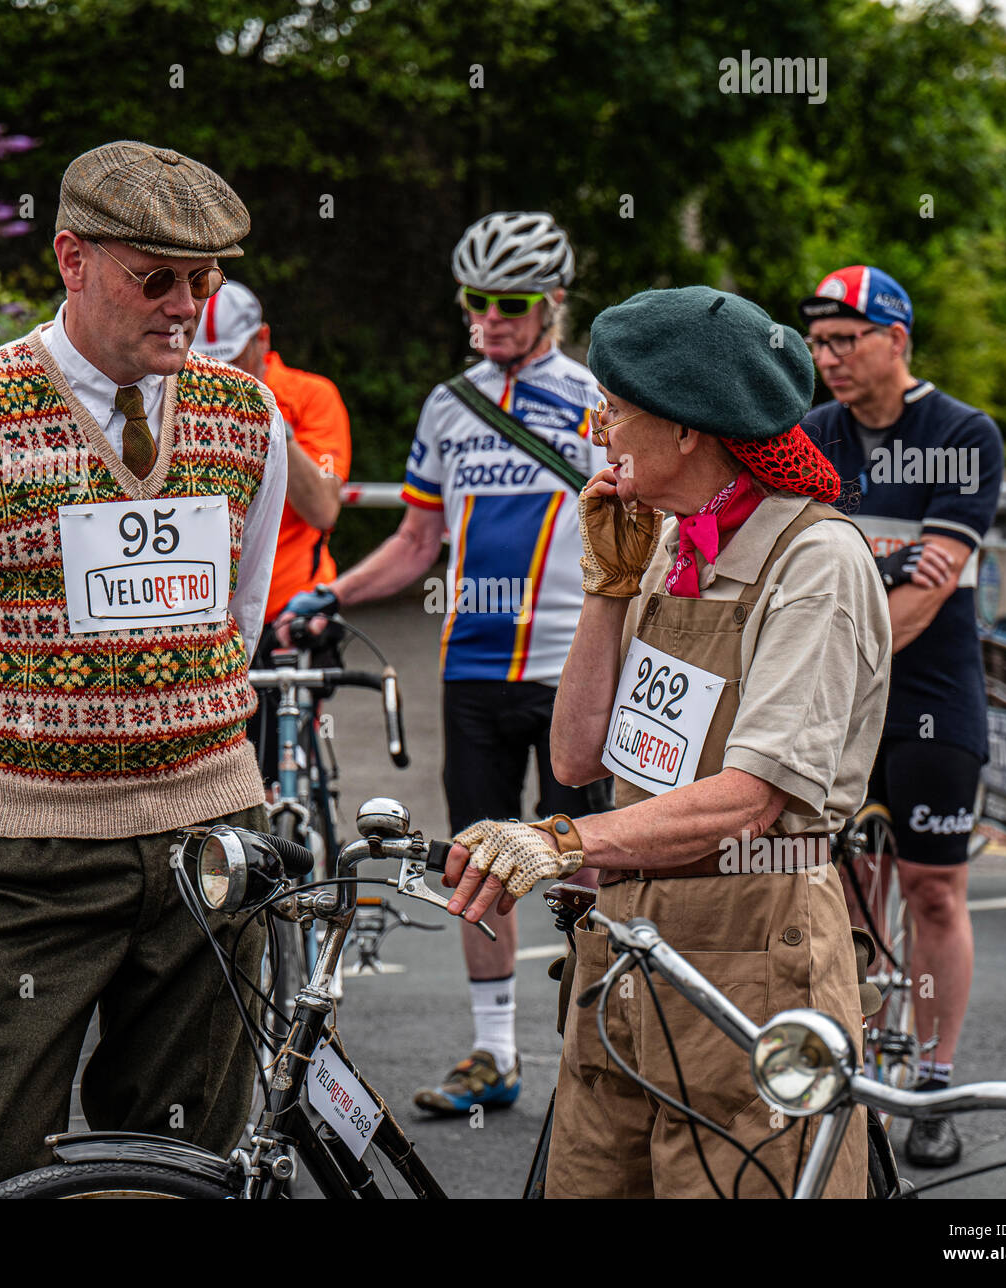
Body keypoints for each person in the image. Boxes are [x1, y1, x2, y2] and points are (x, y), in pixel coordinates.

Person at [0, 140, 288, 1198]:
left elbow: (234, 619)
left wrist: (181, 739)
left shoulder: (248, 416)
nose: (185, 306)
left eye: (203, 280)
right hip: (28, 852)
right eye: (155, 278)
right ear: (72, 258)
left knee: (180, 1157)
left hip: (208, 844)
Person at [442, 285, 892, 1198]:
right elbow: (577, 759)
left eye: (613, 409)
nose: (597, 429)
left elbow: (751, 799)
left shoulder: (815, 560)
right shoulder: (670, 541)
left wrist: (561, 840)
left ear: (687, 429)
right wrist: (606, 586)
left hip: (756, 941)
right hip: (626, 941)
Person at [278, 212, 608, 1114]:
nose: (489, 319)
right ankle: (493, 1053)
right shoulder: (449, 404)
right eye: (476, 302)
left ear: (552, 303)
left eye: (510, 304)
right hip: (473, 667)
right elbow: (417, 542)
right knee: (477, 861)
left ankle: (596, 1055)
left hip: (572, 665)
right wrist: (332, 594)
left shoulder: (595, 398)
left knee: (584, 860)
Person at [799, 264, 1003, 1167]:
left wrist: (866, 594)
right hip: (839, 692)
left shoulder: (961, 434)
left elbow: (928, 595)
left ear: (896, 340)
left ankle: (932, 1081)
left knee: (932, 889)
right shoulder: (811, 434)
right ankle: (847, 1068)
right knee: (842, 891)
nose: (829, 358)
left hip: (929, 693)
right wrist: (885, 566)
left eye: (845, 340)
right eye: (818, 343)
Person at [190, 281, 351, 778]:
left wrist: (268, 417)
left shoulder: (311, 395)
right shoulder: (178, 398)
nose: (218, 375)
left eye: (231, 360)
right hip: (210, 611)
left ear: (261, 340)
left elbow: (323, 507)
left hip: (291, 609)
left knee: (277, 767)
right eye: (206, 360)